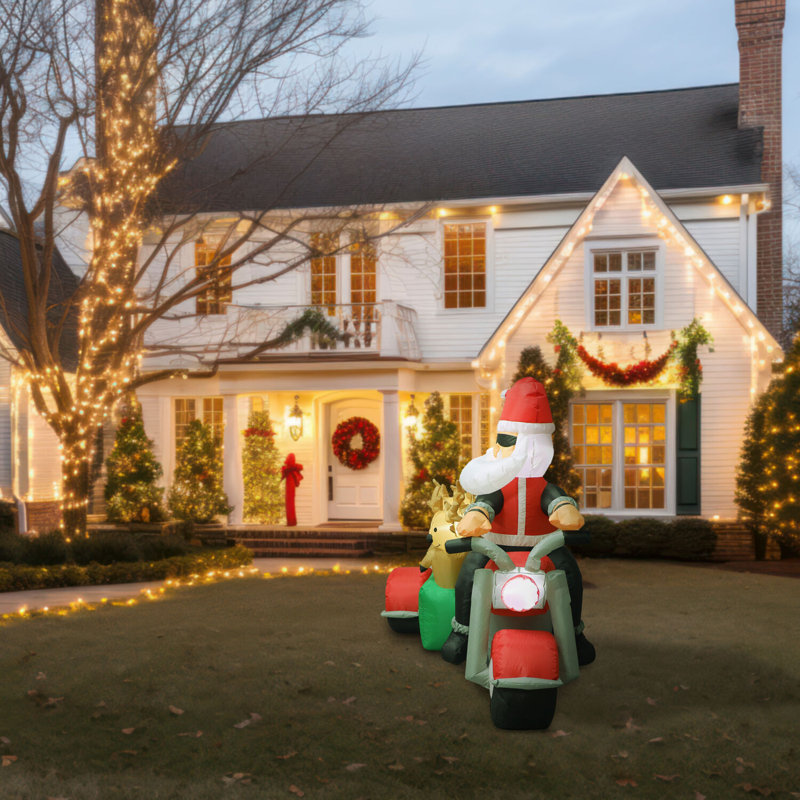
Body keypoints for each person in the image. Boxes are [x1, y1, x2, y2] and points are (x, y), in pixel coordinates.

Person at [440, 377, 596, 667]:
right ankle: (463, 630)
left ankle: (572, 633)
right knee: (469, 572)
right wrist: (476, 516)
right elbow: (487, 502)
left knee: (569, 573)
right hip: (494, 547)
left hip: (544, 546)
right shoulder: (497, 481)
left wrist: (565, 510)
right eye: (513, 443)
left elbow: (555, 498)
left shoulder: (542, 485)